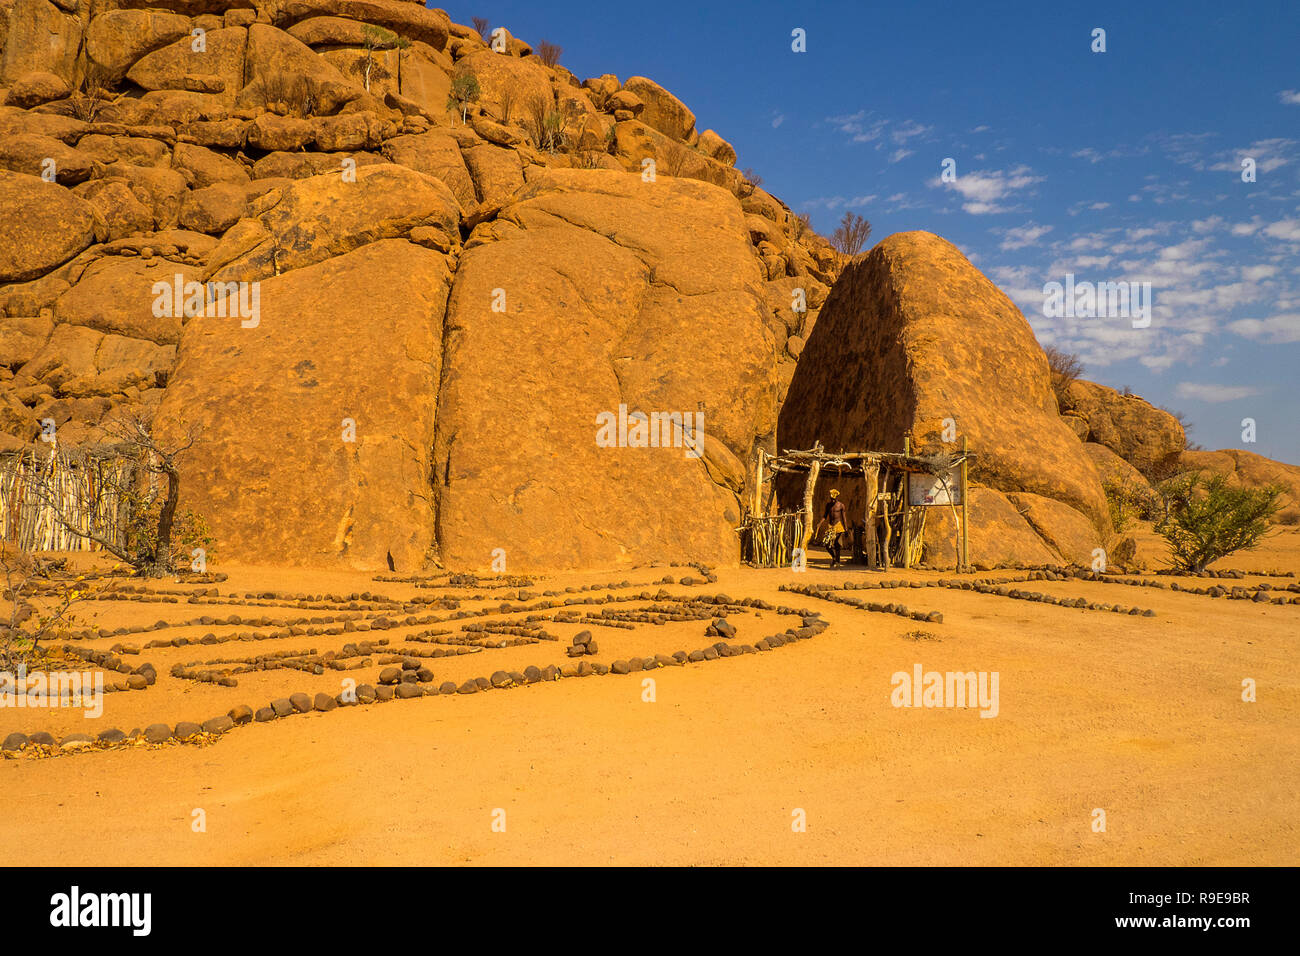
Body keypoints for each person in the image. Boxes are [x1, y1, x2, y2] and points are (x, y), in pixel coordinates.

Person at [819, 488, 849, 567]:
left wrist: (846, 529)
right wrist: (820, 523)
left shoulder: (841, 505)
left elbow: (844, 518)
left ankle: (838, 562)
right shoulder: (828, 505)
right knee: (827, 544)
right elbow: (825, 516)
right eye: (831, 499)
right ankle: (834, 557)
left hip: (838, 526)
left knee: (837, 544)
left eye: (834, 499)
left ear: (836, 498)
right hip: (830, 527)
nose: (832, 501)